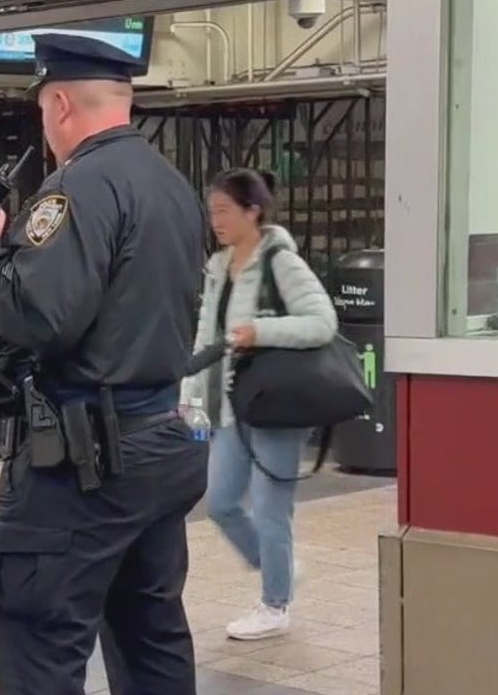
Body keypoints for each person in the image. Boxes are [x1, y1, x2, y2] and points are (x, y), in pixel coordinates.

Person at [0, 34, 210, 695]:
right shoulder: (171, 184)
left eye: (43, 109)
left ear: (61, 103)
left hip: (83, 467)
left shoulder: (76, 186)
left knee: (40, 646)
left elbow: (38, 316)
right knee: (151, 636)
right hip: (157, 444)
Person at [181, 168, 338, 641]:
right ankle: (278, 566)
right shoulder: (218, 266)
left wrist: (261, 331)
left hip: (277, 406)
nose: (216, 221)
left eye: (224, 211)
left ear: (253, 211)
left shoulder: (281, 262)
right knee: (221, 502)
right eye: (211, 212)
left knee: (271, 509)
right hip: (234, 407)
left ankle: (275, 604)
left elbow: (322, 322)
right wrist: (190, 396)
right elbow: (207, 338)